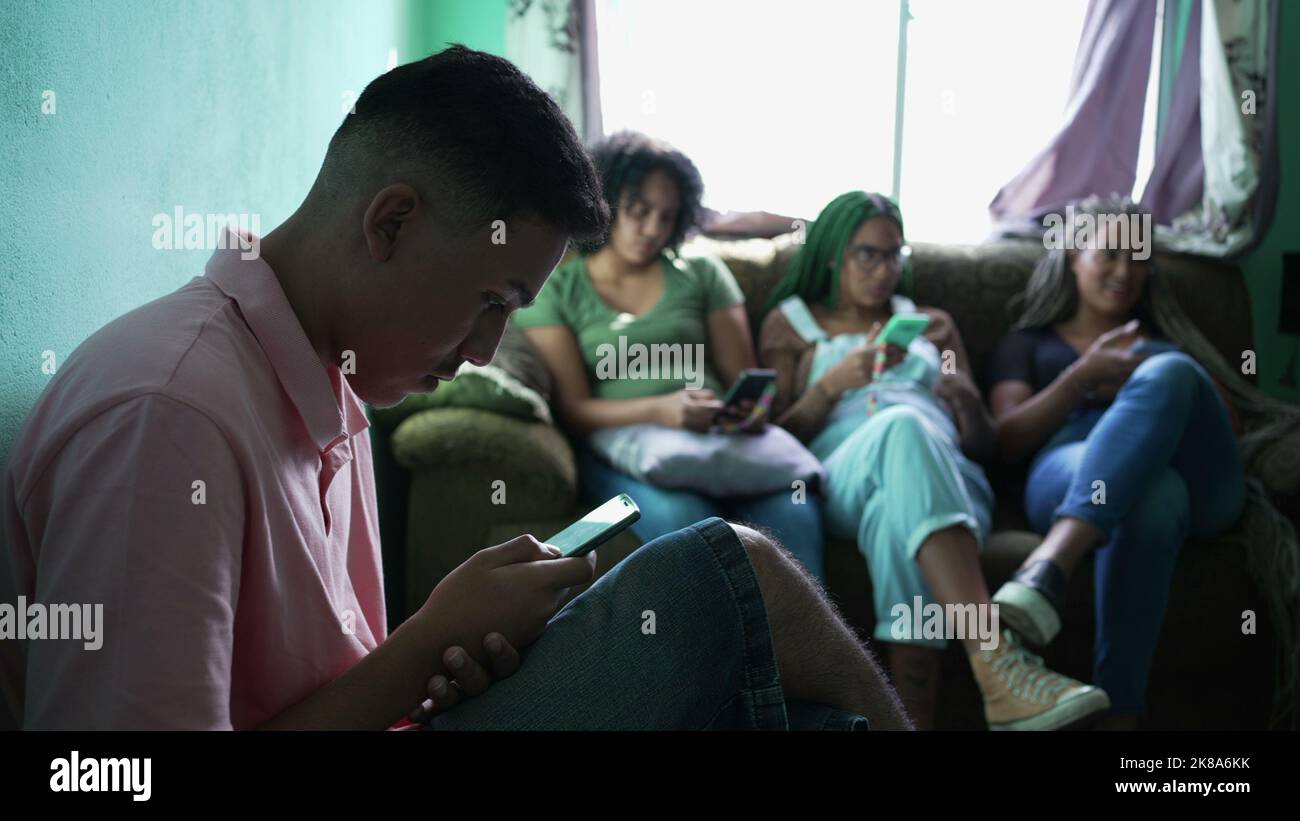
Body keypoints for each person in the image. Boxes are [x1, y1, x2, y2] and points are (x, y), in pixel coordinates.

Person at [1, 47, 909, 731]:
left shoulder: (330, 380)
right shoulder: (169, 415)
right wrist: (424, 647)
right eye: (489, 300)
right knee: (732, 569)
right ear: (389, 221)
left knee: (790, 712)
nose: (484, 350)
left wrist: (435, 652)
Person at [760, 191, 1108, 730]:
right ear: (832, 255)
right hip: (842, 476)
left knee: (897, 511)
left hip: (951, 478)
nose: (884, 269)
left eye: (894, 254)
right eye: (867, 255)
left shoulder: (935, 326)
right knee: (901, 428)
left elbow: (983, 446)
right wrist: (831, 385)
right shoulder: (791, 325)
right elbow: (773, 442)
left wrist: (966, 401)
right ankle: (995, 661)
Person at [986, 195, 1261, 729]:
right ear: (1073, 256)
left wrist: (1152, 371)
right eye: (1110, 253)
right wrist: (1083, 376)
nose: (1125, 271)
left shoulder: (1172, 345)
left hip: (1197, 481)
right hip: (1069, 463)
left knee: (1172, 373)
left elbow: (1230, 431)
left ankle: (1049, 567)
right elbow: (1009, 438)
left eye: (1138, 257)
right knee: (1153, 498)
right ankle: (1120, 719)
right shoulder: (1029, 343)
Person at [517, 131, 826, 577]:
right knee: (687, 524)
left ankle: (806, 647)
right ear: (605, 203)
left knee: (794, 511)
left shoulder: (703, 273)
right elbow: (575, 411)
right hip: (623, 447)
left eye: (667, 216)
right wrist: (661, 410)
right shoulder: (559, 289)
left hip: (719, 440)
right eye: (638, 211)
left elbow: (747, 378)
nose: (652, 230)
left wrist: (749, 410)